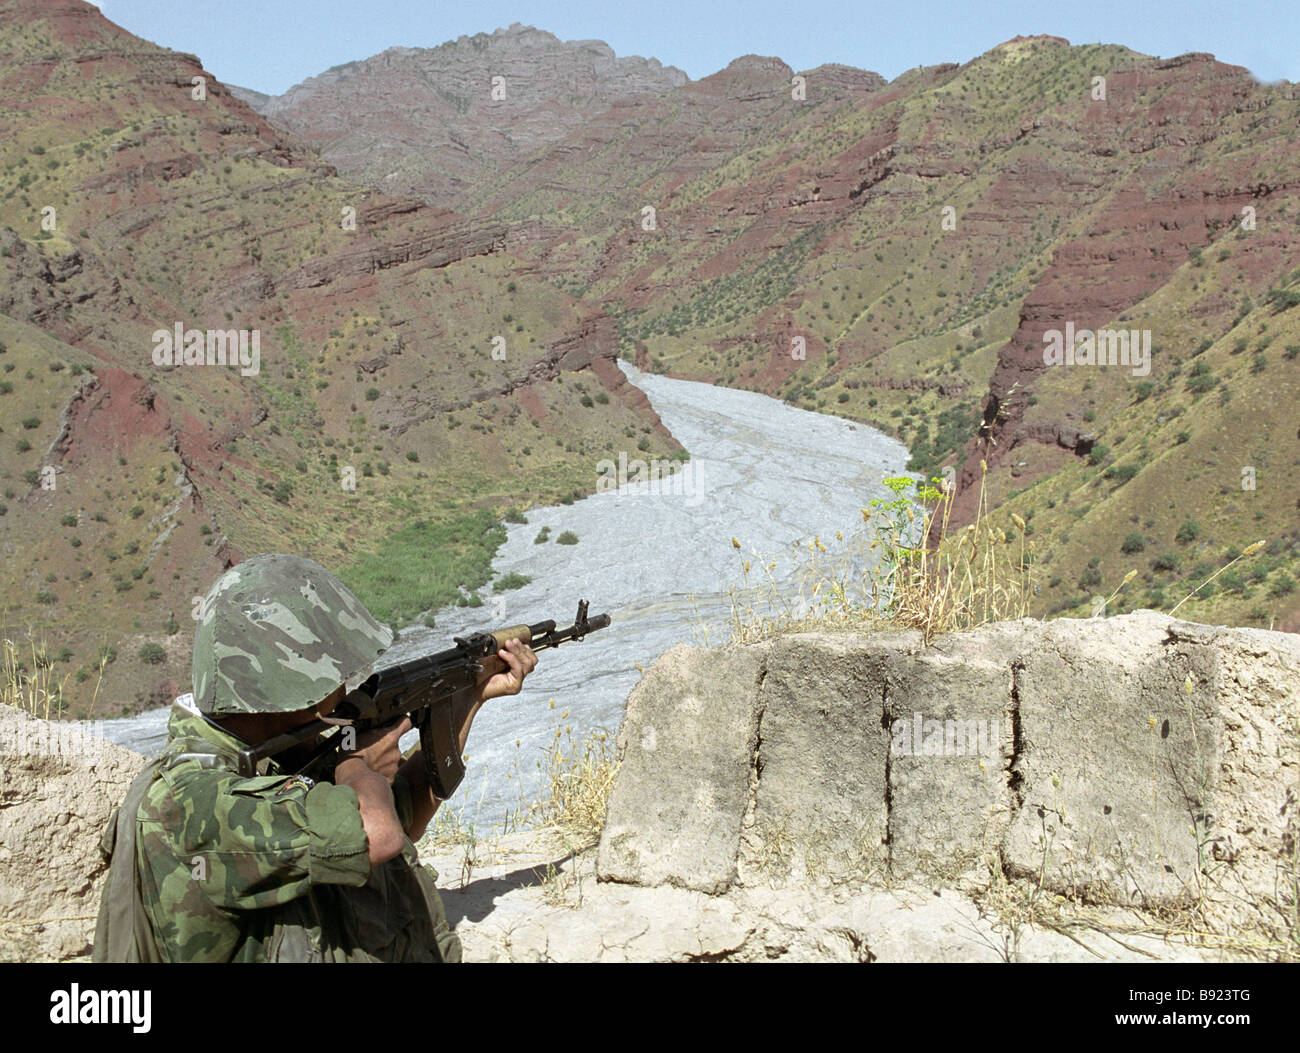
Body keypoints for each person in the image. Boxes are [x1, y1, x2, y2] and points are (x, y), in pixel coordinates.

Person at [92, 553, 536, 962]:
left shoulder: (276, 759)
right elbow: (376, 833)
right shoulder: (192, 801)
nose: (342, 694)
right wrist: (357, 762)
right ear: (280, 681)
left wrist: (466, 700)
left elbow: (402, 821)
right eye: (330, 678)